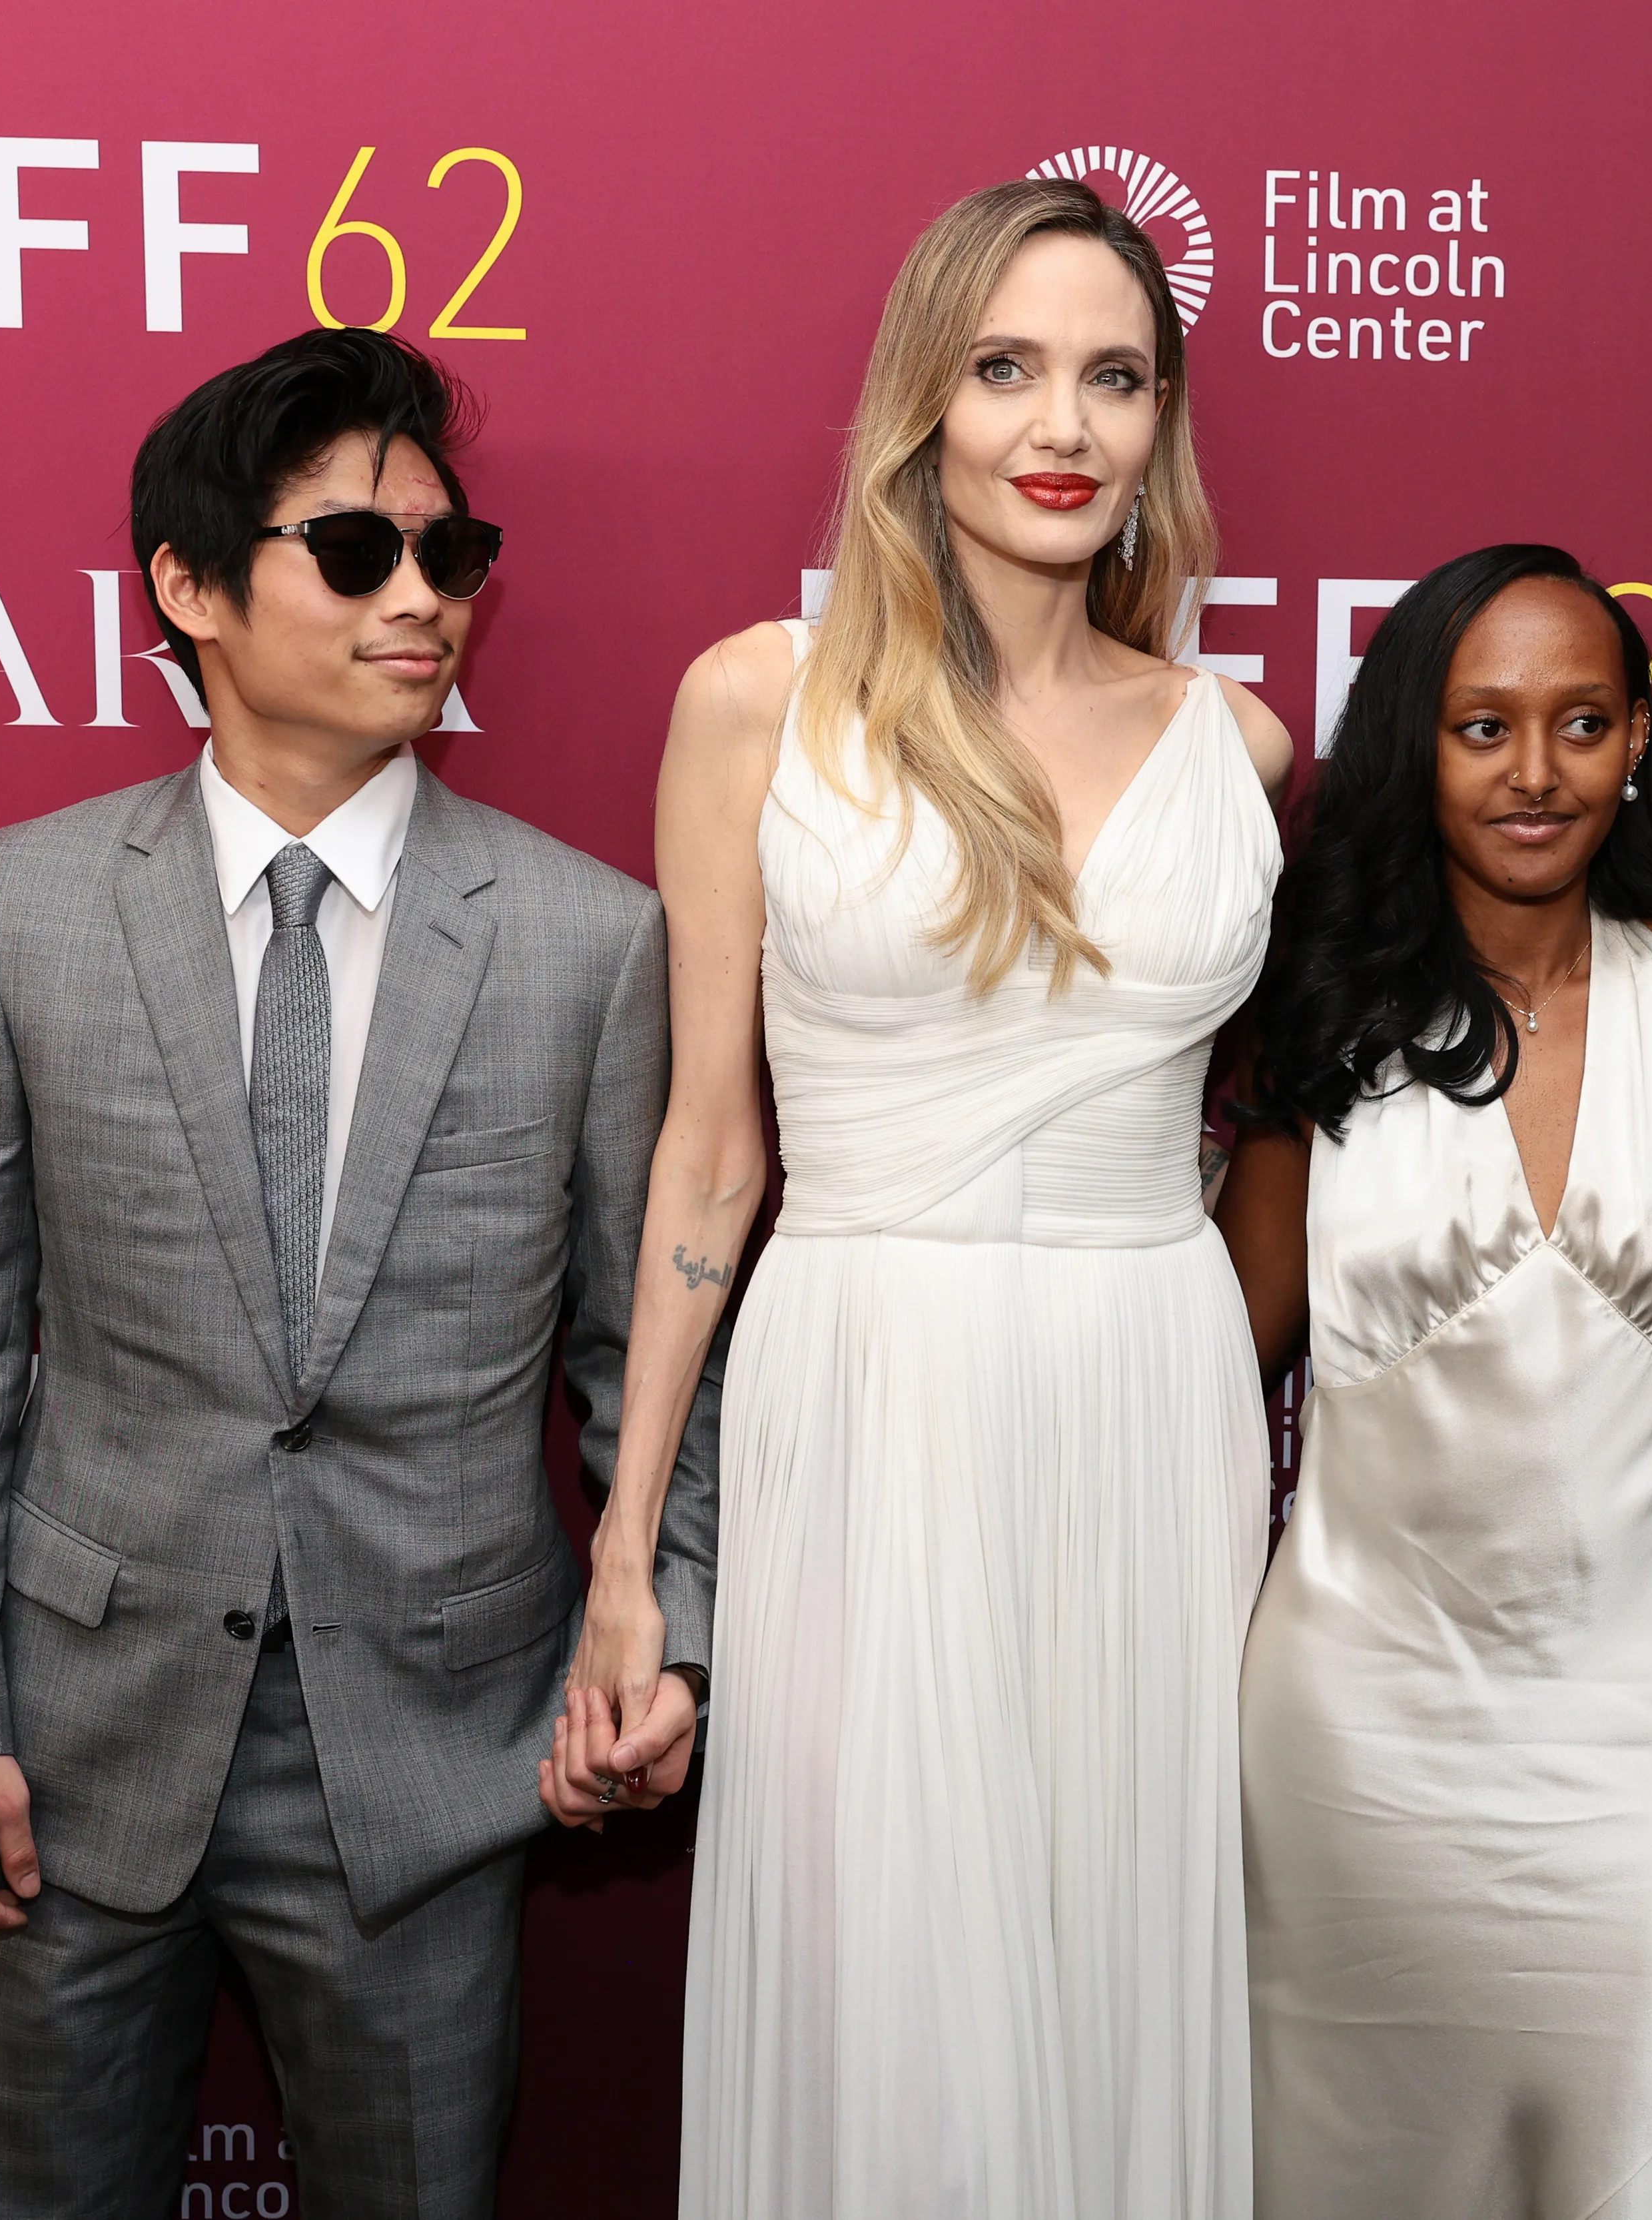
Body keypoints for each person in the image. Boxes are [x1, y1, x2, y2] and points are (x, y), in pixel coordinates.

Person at [0, 327, 719, 2218]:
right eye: (354, 553)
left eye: (449, 553)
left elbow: (654, 1358)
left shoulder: (589, 942)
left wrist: (678, 1639)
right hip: (64, 1762)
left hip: (432, 1758)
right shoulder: (28, 901)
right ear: (191, 587)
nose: (422, 599)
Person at [573, 176, 1293, 2217]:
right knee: (893, 1985)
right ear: (924, 404)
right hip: (869, 1377)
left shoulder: (1240, 744)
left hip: (1149, 1397)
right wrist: (629, 1550)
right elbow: (711, 1147)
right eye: (1006, 369)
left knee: (1111, 1948)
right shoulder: (757, 704)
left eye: (1114, 377)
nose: (1061, 424)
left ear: (1162, 426)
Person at [1216, 547, 1652, 2219]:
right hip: (1356, 1737)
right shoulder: (1326, 1023)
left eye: (1581, 723)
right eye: (1483, 728)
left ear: (1635, 748)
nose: (1536, 773)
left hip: (1645, 1736)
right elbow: (1208, 1361)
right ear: (1415, 747)